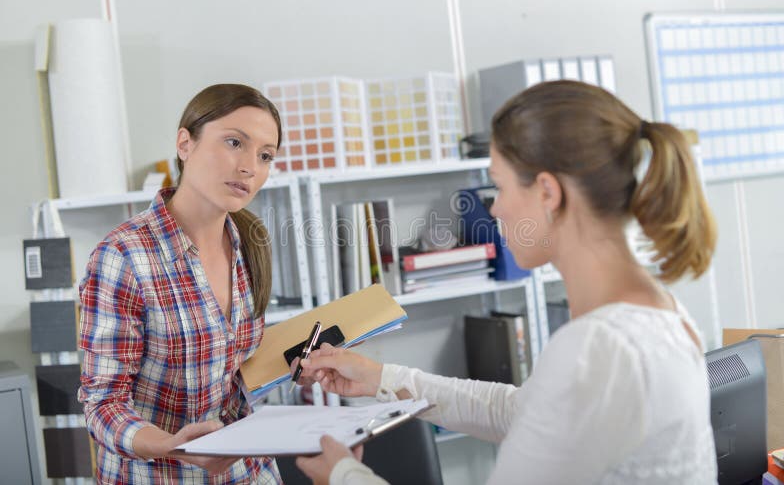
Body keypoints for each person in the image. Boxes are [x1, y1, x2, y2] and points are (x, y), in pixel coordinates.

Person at [295, 80, 719, 484]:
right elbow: (521, 412)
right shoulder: (658, 311)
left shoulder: (597, 349)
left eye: (499, 186)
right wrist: (380, 378)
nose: (494, 209)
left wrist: (344, 476)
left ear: (548, 193)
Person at [78, 83, 283, 483]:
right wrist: (173, 445)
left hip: (245, 471)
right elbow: (103, 404)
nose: (249, 167)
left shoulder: (250, 242)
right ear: (185, 144)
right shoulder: (124, 257)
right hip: (160, 474)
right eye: (233, 142)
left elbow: (232, 366)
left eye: (265, 156)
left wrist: (300, 359)